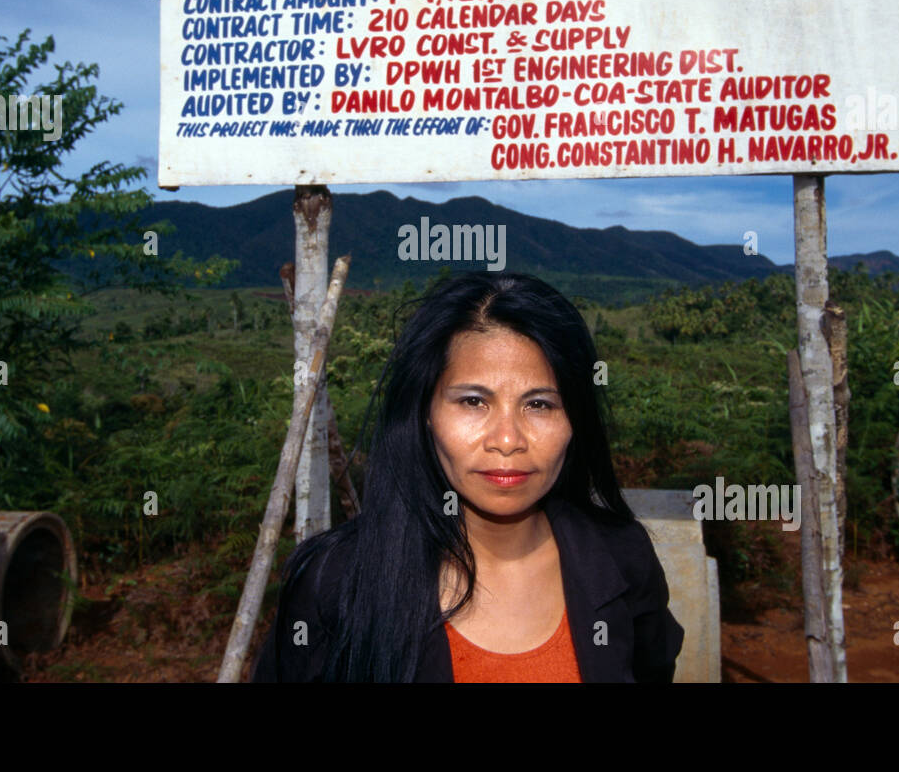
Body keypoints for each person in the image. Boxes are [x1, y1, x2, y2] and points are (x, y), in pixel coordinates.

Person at [252, 270, 684, 682]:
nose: (508, 439)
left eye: (540, 405)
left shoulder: (623, 559)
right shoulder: (336, 582)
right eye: (474, 401)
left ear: (576, 421)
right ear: (425, 412)